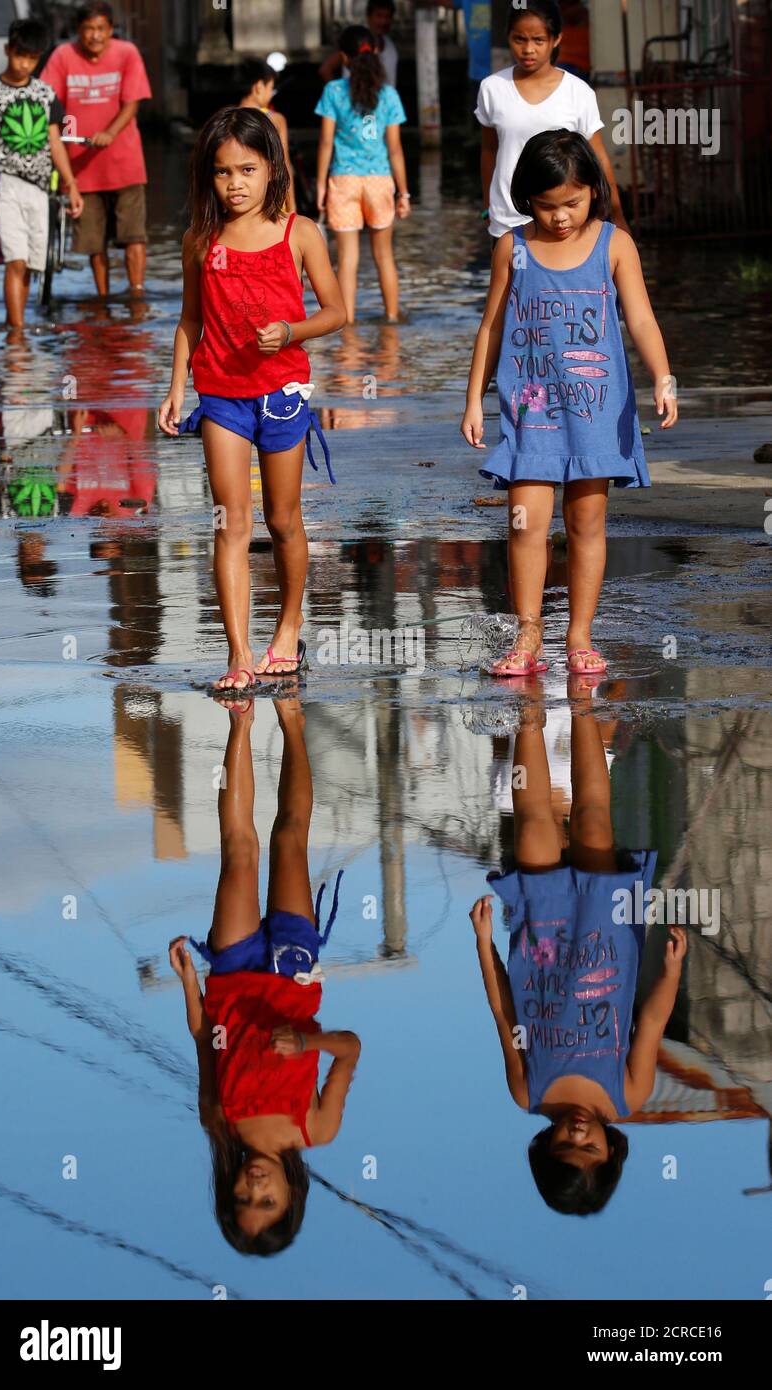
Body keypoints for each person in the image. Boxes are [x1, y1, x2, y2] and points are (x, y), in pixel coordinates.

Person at [461, 130, 677, 677]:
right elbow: (490, 328)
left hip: (598, 412)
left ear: (594, 193)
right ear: (526, 198)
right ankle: (527, 639)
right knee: (524, 524)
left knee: (586, 523)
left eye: (573, 203)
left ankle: (579, 637)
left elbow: (642, 319)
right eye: (547, 205)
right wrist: (472, 399)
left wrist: (663, 376)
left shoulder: (614, 244)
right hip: (530, 410)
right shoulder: (514, 248)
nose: (560, 217)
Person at [469, 684, 687, 1217]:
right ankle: (583, 699)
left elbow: (503, 1012)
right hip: (605, 939)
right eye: (589, 1147)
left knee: (535, 822)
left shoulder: (529, 1094)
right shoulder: (626, 1096)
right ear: (611, 1152)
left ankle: (527, 704)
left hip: (540, 939)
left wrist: (484, 945)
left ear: (545, 1148)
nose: (578, 1133)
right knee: (592, 818)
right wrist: (671, 971)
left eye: (565, 1145)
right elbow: (653, 1022)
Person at [157, 107, 345, 692]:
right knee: (229, 524)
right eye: (221, 172)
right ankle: (238, 652)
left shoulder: (300, 233)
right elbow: (190, 320)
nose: (234, 183)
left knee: (282, 519)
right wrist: (176, 387)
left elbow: (336, 313)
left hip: (283, 396)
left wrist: (290, 332)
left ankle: (288, 628)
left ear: (272, 170)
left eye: (246, 169)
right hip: (221, 396)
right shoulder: (200, 240)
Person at [169, 694, 360, 1256]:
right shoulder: (315, 1130)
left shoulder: (218, 1123)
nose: (254, 1190)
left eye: (241, 1201)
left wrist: (188, 979)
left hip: (230, 976)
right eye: (268, 1202)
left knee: (239, 854)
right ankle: (294, 721)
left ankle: (240, 720)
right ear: (292, 1197)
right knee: (288, 840)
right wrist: (306, 1042)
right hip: (291, 975)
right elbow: (349, 1049)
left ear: (225, 1192)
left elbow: (206, 1042)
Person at [476, 0, 627, 239]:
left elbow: (598, 156)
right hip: (508, 221)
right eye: (519, 39)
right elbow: (489, 150)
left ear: (556, 39)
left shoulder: (578, 92)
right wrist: (488, 207)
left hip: (564, 220)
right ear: (508, 37)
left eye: (538, 40)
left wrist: (616, 214)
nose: (528, 49)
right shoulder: (492, 88)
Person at [0, 18, 83, 329]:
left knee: (32, 265)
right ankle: (17, 335)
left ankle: (14, 329)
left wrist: (71, 184)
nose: (24, 64)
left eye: (32, 58)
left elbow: (55, 142)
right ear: (8, 50)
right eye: (20, 56)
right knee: (15, 261)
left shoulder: (45, 94)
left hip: (40, 186)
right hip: (4, 183)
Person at [41, 1, 152, 296]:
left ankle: (137, 294)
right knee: (94, 242)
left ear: (110, 29)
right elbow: (46, 100)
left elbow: (132, 102)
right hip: (80, 169)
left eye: (101, 28)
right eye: (88, 29)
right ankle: (102, 298)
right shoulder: (63, 55)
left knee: (134, 236)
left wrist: (109, 133)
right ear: (78, 30)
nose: (95, 35)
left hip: (125, 164)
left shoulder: (127, 53)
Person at [316, 24, 409, 324]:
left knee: (347, 261)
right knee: (384, 257)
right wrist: (403, 192)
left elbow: (326, 143)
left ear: (343, 56)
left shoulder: (333, 91)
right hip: (380, 180)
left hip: (343, 180)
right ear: (376, 51)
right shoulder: (389, 95)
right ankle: (392, 319)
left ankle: (347, 324)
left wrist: (321, 186)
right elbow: (395, 149)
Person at [235, 57, 296, 211]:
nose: (271, 94)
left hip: (238, 195)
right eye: (270, 88)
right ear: (259, 86)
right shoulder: (275, 119)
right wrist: (292, 206)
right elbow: (284, 164)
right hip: (269, 197)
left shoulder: (228, 119)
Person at [319, 1, 399, 88]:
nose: (383, 21)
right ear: (368, 16)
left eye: (388, 17)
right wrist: (339, 93)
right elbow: (325, 69)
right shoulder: (355, 41)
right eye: (379, 16)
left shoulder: (390, 46)